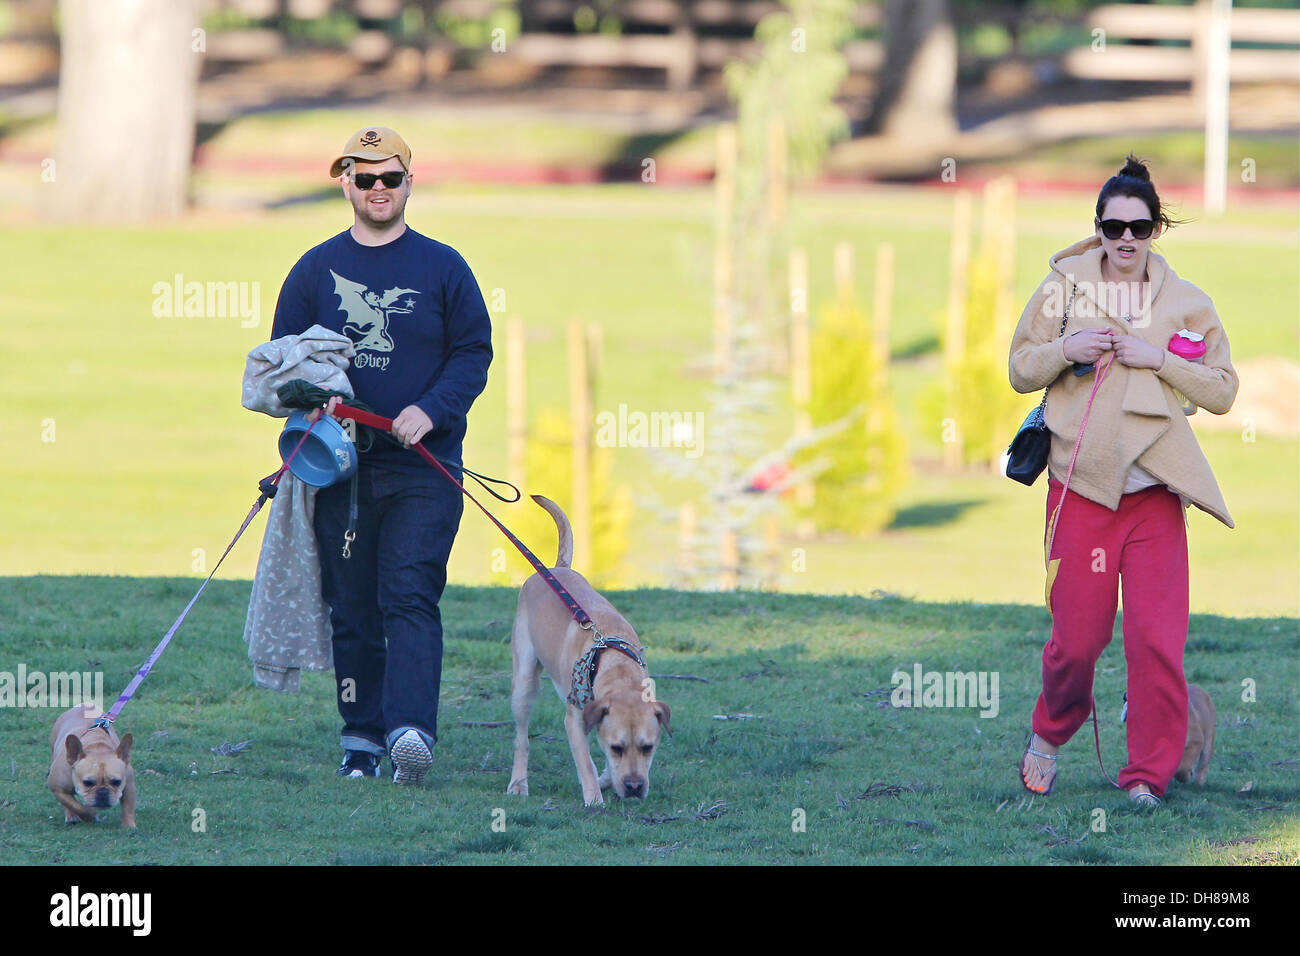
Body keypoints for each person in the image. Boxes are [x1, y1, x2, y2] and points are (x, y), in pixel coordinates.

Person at [1008, 155, 1237, 807]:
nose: (1126, 239)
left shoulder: (1189, 304)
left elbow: (1222, 392)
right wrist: (1066, 349)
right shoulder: (1061, 289)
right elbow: (1021, 369)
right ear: (1099, 229)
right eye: (1113, 227)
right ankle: (1049, 734)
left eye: (1139, 227)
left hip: (1155, 496)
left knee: (1155, 641)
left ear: (1157, 229)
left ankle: (1147, 773)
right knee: (1076, 643)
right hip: (1078, 489)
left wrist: (1159, 359)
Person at [270, 126, 493, 784]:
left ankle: (410, 732)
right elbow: (286, 359)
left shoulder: (443, 267)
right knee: (354, 606)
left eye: (388, 178)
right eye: (363, 178)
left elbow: (472, 351)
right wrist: (306, 404)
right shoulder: (313, 270)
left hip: (425, 468)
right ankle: (361, 736)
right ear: (344, 184)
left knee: (409, 594)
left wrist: (432, 409)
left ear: (408, 184)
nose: (376, 189)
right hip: (342, 469)